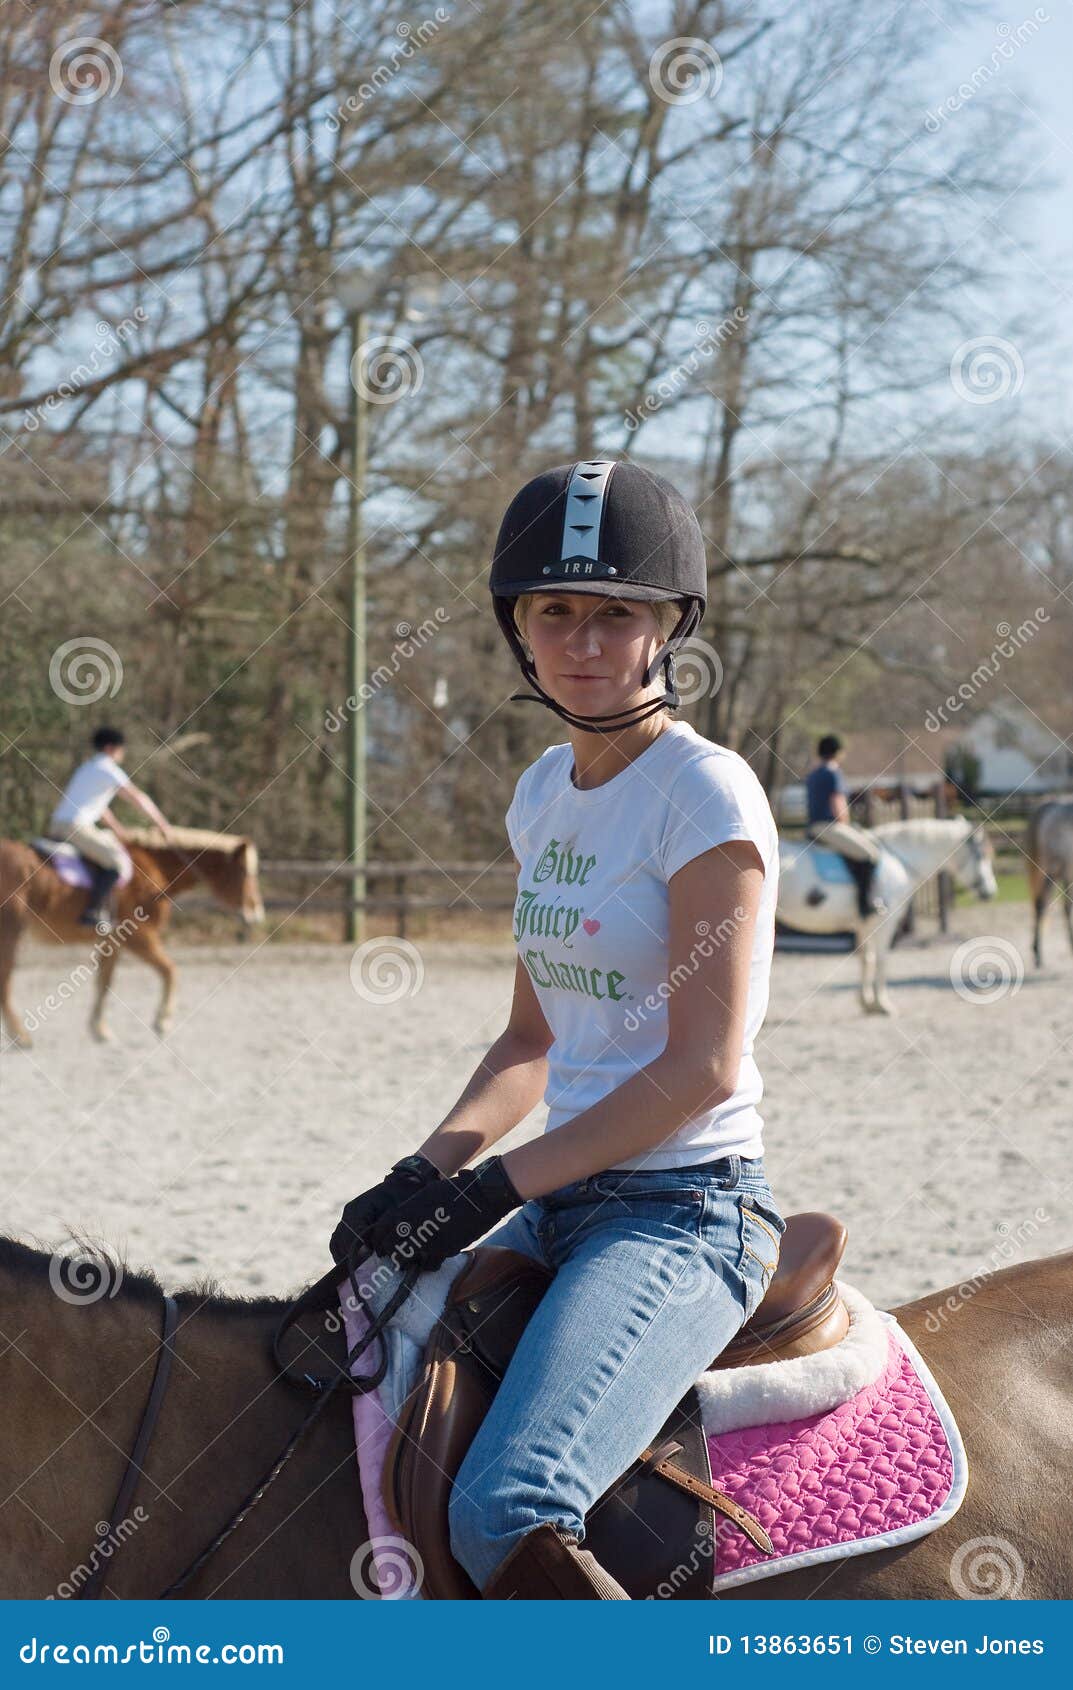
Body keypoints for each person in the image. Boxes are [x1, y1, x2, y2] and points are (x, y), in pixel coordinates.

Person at [330, 458, 786, 1600]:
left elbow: (698, 1067)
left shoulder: (705, 794)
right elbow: (527, 1042)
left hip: (682, 1210)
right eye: (555, 611)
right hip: (554, 1204)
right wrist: (423, 1169)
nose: (584, 640)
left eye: (615, 613)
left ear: (665, 628)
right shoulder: (541, 792)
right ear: (517, 629)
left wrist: (492, 1191)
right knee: (347, 1403)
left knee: (505, 1508)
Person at [49, 727, 173, 931]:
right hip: (75, 826)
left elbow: (99, 805)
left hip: (62, 823)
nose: (123, 753)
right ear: (110, 748)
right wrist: (162, 824)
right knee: (116, 862)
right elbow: (136, 797)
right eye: (121, 749)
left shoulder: (87, 768)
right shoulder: (108, 769)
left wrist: (117, 827)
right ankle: (92, 912)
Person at [803, 734, 885, 919]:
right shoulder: (833, 772)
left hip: (813, 826)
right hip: (830, 826)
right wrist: (847, 823)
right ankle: (866, 904)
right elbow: (838, 805)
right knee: (870, 854)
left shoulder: (813, 774)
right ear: (837, 753)